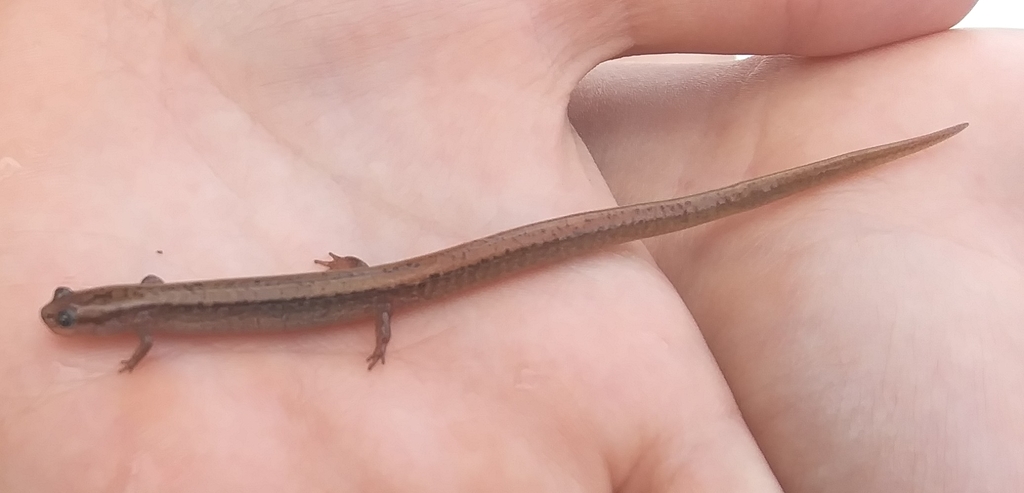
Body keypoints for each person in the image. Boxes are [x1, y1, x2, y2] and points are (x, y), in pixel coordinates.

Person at [2, 0, 1019, 490]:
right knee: (391, 287)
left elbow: (156, 309)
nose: (70, 317)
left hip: (388, 288)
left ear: (118, 310)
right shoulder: (145, 312)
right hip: (377, 287)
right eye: (74, 314)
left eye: (74, 311)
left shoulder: (145, 324)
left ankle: (375, 294)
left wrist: (368, 302)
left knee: (397, 288)